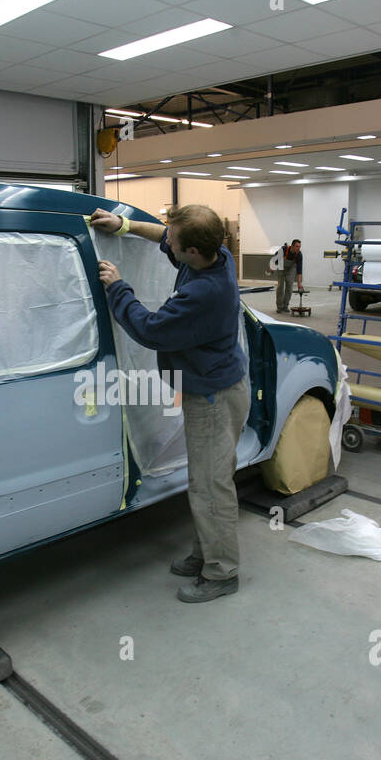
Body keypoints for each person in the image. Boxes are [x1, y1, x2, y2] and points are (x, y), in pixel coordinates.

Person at [89, 204, 249, 604]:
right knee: (211, 480)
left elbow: (150, 329)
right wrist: (124, 225)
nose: (167, 240)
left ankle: (221, 571)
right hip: (224, 383)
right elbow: (161, 235)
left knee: (210, 488)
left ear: (192, 251)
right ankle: (205, 552)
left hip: (211, 397)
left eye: (174, 240)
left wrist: (117, 286)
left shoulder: (203, 293)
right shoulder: (218, 255)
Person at [274, 239, 303, 314]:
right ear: (292, 246)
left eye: (299, 247)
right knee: (280, 286)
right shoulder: (284, 249)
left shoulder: (299, 254)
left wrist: (299, 284)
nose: (298, 248)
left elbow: (299, 271)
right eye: (297, 246)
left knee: (289, 287)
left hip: (291, 269)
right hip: (281, 267)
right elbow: (275, 259)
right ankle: (279, 307)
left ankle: (285, 306)